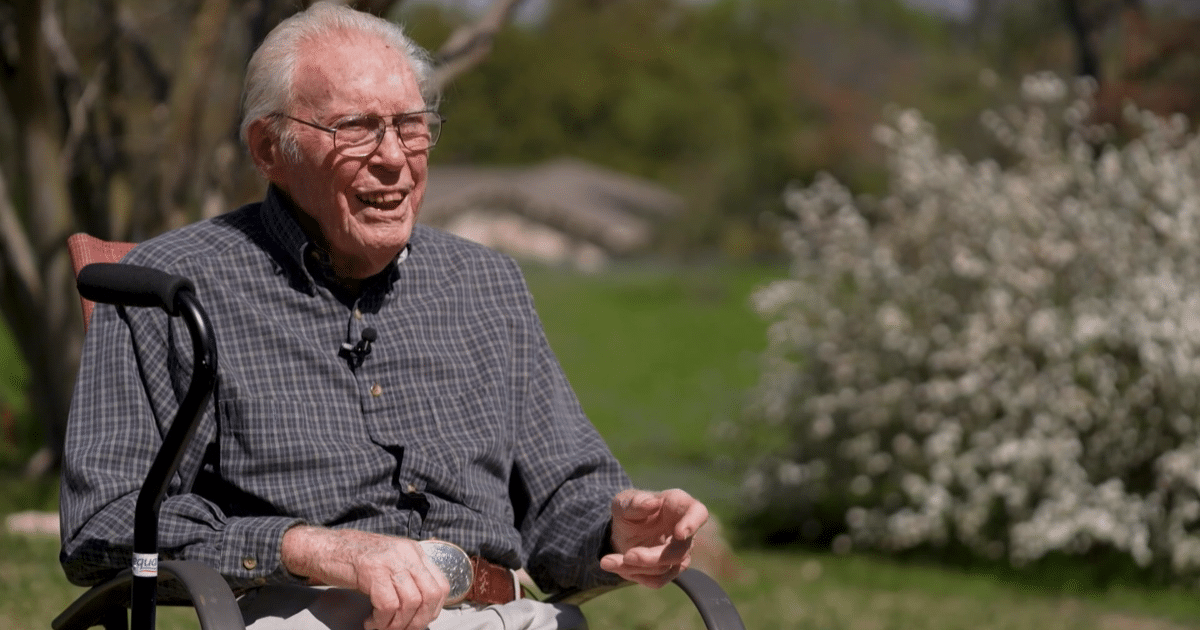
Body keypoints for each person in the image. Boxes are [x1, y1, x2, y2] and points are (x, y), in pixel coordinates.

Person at [58, 3, 709, 630]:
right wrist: (312, 549)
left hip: (506, 616)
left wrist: (617, 530)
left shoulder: (486, 283)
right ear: (269, 148)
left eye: (410, 124)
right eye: (357, 128)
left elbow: (562, 498)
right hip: (303, 615)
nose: (394, 157)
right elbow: (105, 522)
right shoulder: (171, 289)